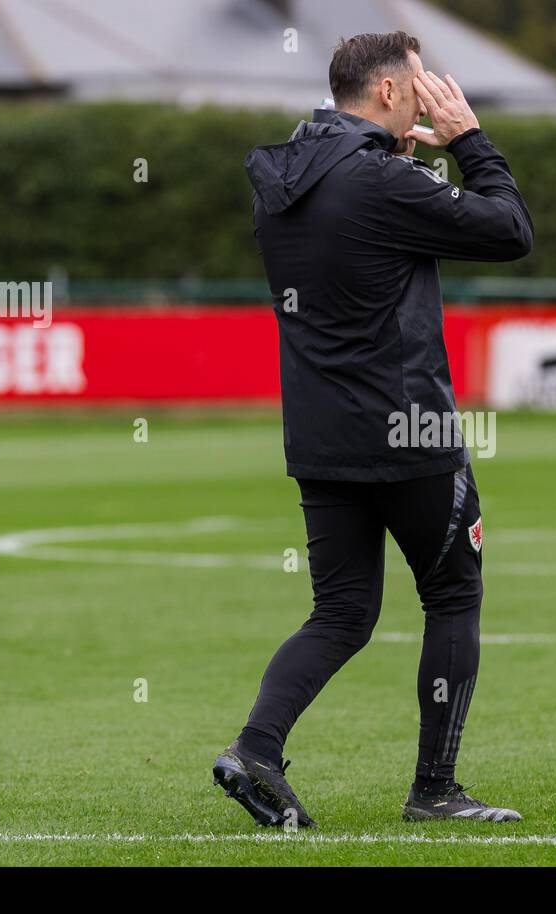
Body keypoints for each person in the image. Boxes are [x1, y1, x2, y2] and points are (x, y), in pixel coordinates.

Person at [213, 32, 533, 827]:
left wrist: (411, 163)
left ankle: (256, 749)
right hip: (410, 431)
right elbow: (510, 231)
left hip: (320, 439)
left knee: (342, 612)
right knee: (454, 594)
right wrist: (469, 143)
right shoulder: (383, 182)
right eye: (420, 84)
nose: (430, 96)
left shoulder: (282, 176)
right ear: (387, 93)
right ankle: (435, 789)